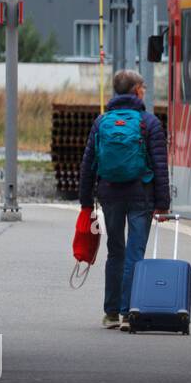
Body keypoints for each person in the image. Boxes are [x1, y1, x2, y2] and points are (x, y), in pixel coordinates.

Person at [78, 69, 171, 330]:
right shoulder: (149, 123)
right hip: (141, 194)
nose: (144, 91)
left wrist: (85, 201)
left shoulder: (102, 122)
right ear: (135, 91)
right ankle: (130, 312)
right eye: (143, 86)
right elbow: (160, 165)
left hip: (110, 193)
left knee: (115, 252)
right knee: (135, 253)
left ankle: (110, 314)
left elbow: (89, 163)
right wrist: (162, 203)